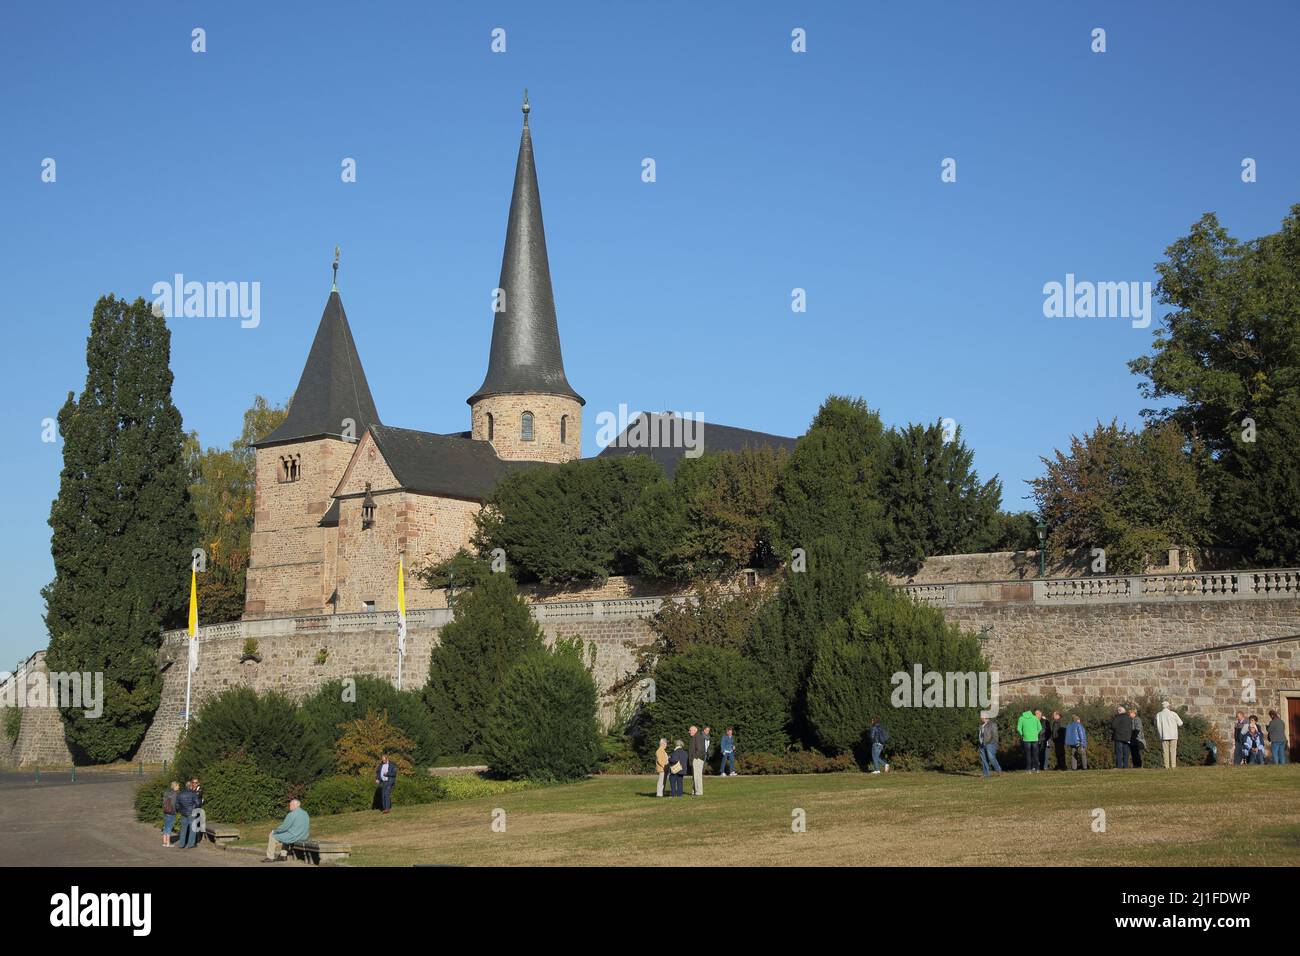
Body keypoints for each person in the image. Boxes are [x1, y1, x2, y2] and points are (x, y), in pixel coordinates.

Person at [1155, 701, 1183, 769]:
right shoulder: (1173, 714)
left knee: (1165, 751)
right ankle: (1173, 766)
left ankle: (1166, 766)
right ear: (1168, 706)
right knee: (1173, 751)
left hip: (1164, 735)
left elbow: (1156, 724)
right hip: (1173, 735)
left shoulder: (1159, 714)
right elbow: (1180, 723)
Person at [176, 778, 203, 849]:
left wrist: (181, 810)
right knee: (192, 829)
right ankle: (190, 844)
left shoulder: (180, 794)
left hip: (183, 813)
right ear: (190, 786)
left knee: (183, 829)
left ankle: (181, 844)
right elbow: (197, 803)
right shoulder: (193, 794)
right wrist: (193, 808)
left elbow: (177, 805)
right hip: (191, 812)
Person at [161, 781, 180, 847]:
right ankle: (168, 843)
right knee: (169, 827)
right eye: (178, 786)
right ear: (175, 786)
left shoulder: (166, 792)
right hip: (171, 812)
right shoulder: (175, 794)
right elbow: (174, 804)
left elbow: (163, 802)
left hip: (165, 811)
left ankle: (164, 842)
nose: (179, 787)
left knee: (165, 826)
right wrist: (177, 810)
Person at [688, 725, 706, 796]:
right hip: (696, 759)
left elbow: (699, 749)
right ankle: (695, 791)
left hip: (697, 759)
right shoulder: (696, 736)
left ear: (694, 730)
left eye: (690, 730)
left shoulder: (698, 736)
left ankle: (698, 792)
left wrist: (695, 757)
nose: (689, 732)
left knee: (697, 776)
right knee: (695, 776)